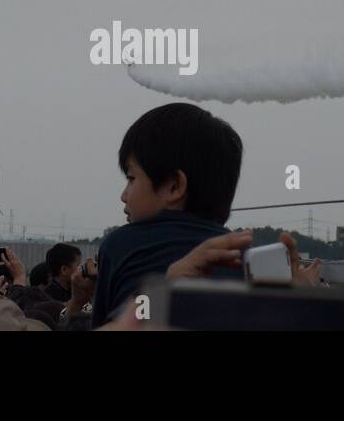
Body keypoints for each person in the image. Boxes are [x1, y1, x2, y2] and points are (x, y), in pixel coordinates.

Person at [92, 103, 244, 327]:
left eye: (132, 178)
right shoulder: (243, 255)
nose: (124, 196)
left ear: (174, 187)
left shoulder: (120, 245)